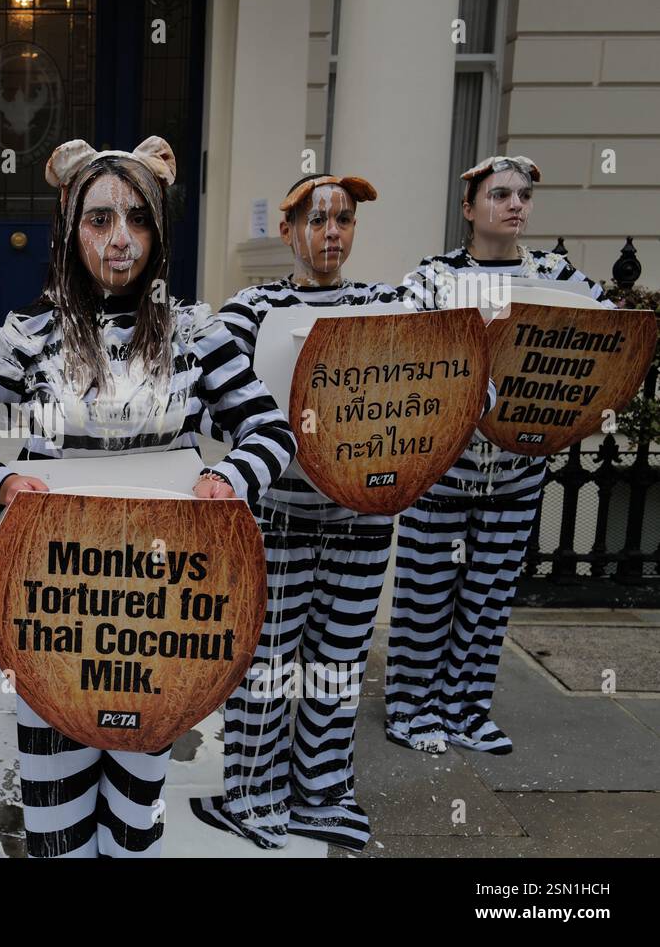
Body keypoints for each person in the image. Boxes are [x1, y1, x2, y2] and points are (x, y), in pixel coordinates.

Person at [0, 137, 297, 857]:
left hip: (166, 611)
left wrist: (226, 480)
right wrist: (2, 484)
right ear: (69, 230)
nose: (120, 240)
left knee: (136, 815)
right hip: (54, 609)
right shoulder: (27, 336)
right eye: (99, 220)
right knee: (53, 818)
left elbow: (271, 429)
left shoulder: (199, 334)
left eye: (138, 219)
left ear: (159, 232)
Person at [190, 174, 403, 853]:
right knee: (266, 660)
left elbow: (440, 370)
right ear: (288, 232)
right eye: (318, 219)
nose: (332, 231)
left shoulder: (383, 302)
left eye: (343, 219)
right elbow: (203, 384)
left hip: (361, 516)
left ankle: (322, 789)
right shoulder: (252, 307)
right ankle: (253, 791)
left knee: (338, 660)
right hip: (278, 514)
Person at [385, 155, 609, 756]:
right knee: (427, 591)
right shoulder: (434, 277)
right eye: (500, 194)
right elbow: (403, 347)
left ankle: (466, 709)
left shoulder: (556, 275)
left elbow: (607, 335)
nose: (515, 205)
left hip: (519, 467)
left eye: (524, 195)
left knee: (488, 591)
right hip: (446, 465)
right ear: (469, 207)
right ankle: (412, 707)